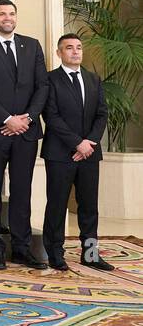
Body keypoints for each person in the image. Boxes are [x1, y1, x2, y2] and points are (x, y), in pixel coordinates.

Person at [0, 0, 47, 269]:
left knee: (21, 190)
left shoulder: (32, 45)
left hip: (26, 132)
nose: (7, 18)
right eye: (2, 13)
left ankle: (21, 247)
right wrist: (6, 119)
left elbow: (42, 86)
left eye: (12, 13)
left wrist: (26, 118)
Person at [41, 34, 112, 272]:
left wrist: (89, 143)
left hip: (89, 154)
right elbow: (51, 116)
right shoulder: (50, 79)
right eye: (69, 48)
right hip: (60, 153)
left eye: (78, 48)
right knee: (57, 205)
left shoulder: (93, 79)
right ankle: (55, 253)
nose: (75, 52)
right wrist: (76, 144)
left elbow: (102, 114)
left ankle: (90, 255)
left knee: (89, 206)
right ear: (59, 52)